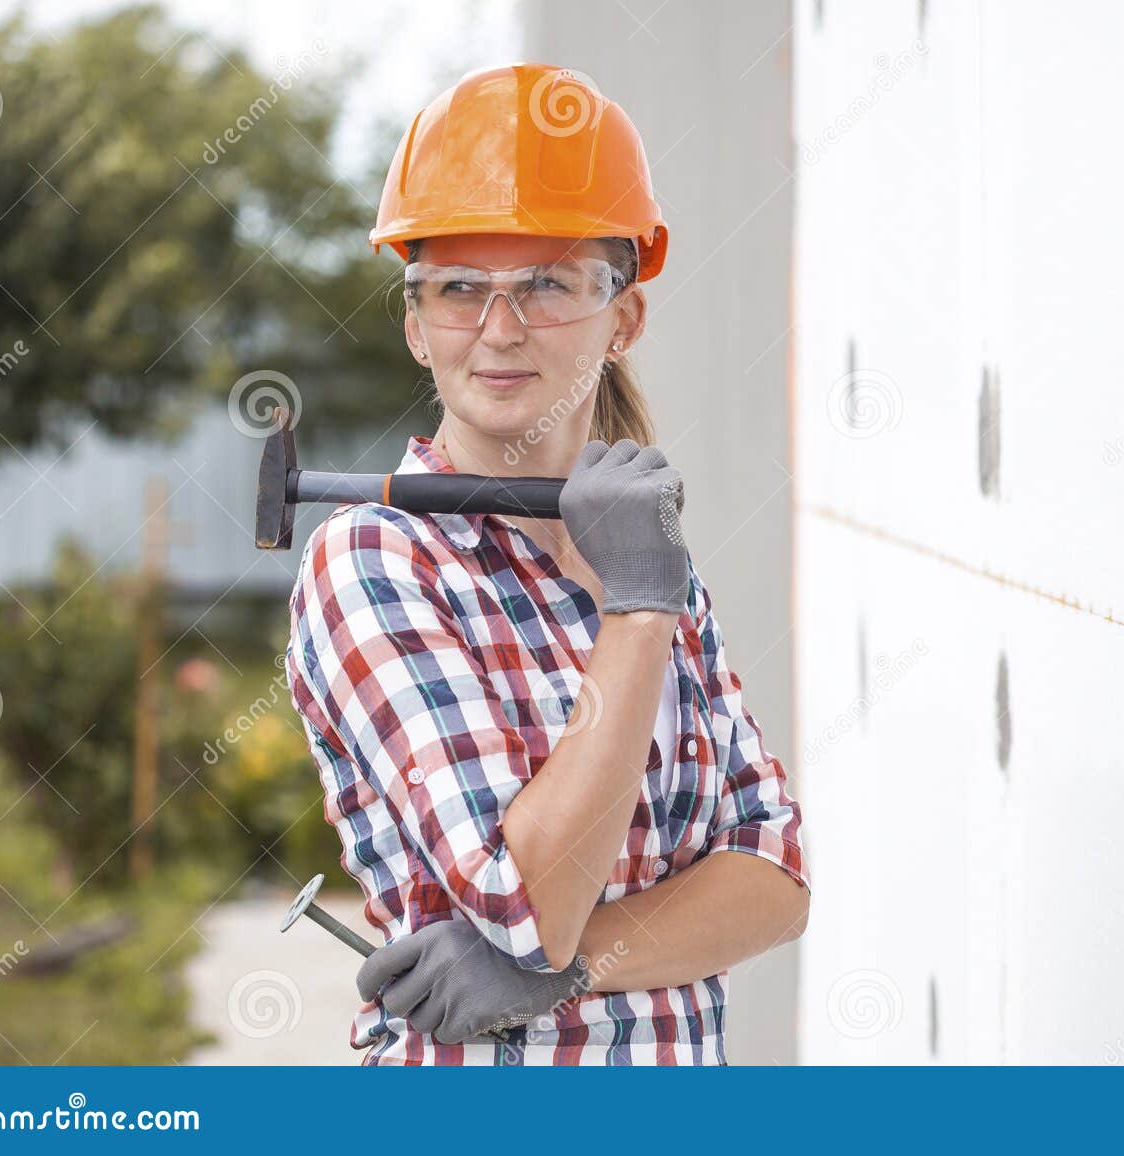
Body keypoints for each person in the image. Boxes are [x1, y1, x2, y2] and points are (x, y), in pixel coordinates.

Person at [285, 62, 810, 1066]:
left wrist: (569, 968)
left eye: (546, 285)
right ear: (414, 325)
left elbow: (775, 875)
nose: (499, 328)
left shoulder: (645, 566)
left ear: (623, 320)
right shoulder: (376, 564)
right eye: (458, 290)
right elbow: (528, 904)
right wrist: (639, 614)